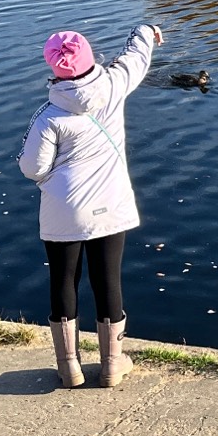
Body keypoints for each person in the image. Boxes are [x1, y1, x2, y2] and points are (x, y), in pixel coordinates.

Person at [17, 21, 161, 388]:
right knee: (107, 280)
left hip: (63, 209)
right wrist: (146, 30)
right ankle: (112, 366)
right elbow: (136, 56)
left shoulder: (49, 117)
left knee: (63, 280)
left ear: (53, 68)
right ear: (90, 57)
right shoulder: (114, 85)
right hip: (110, 205)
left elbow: (31, 168)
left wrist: (52, 181)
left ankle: (70, 369)